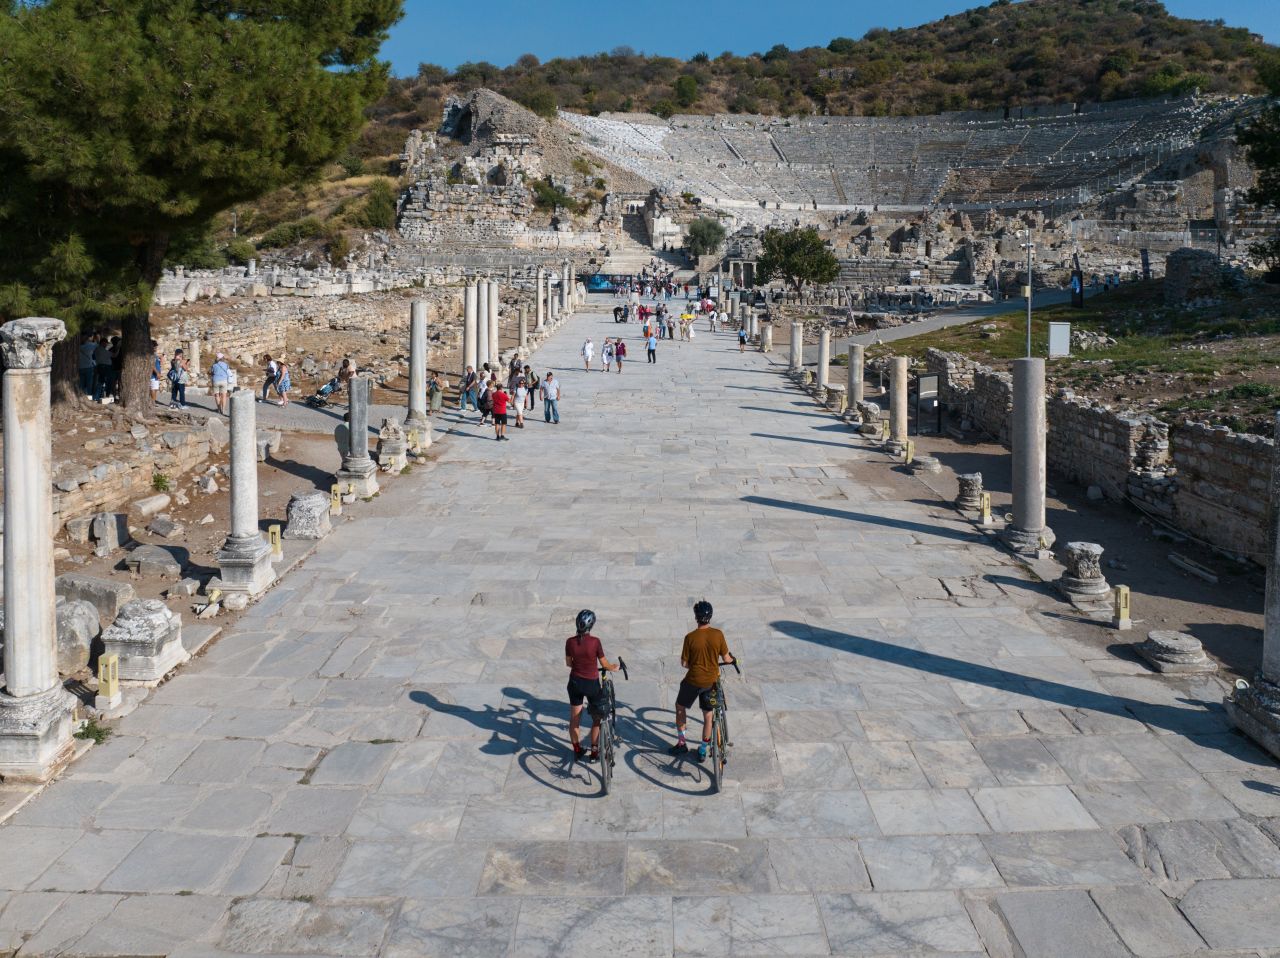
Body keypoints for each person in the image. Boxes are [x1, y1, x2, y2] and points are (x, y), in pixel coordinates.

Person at [669, 600, 734, 760]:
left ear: (696, 617)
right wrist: (732, 660)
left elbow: (684, 663)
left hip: (692, 681)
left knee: (680, 707)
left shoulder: (690, 637)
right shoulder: (718, 634)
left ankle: (682, 743)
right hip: (710, 682)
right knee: (708, 717)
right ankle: (703, 749)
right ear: (710, 616)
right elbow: (726, 659)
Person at [564, 609, 620, 762]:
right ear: (591, 625)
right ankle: (594, 751)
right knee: (597, 718)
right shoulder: (595, 642)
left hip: (575, 683)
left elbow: (569, 663)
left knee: (574, 719)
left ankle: (577, 749)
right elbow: (604, 664)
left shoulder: (570, 642)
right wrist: (614, 667)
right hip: (591, 684)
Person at [149, 341, 163, 405]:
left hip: (156, 374)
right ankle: (153, 402)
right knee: (153, 388)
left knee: (155, 388)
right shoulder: (152, 355)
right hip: (153, 375)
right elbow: (152, 365)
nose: (156, 348)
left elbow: (157, 364)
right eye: (155, 347)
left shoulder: (155, 354)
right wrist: (157, 373)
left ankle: (153, 401)